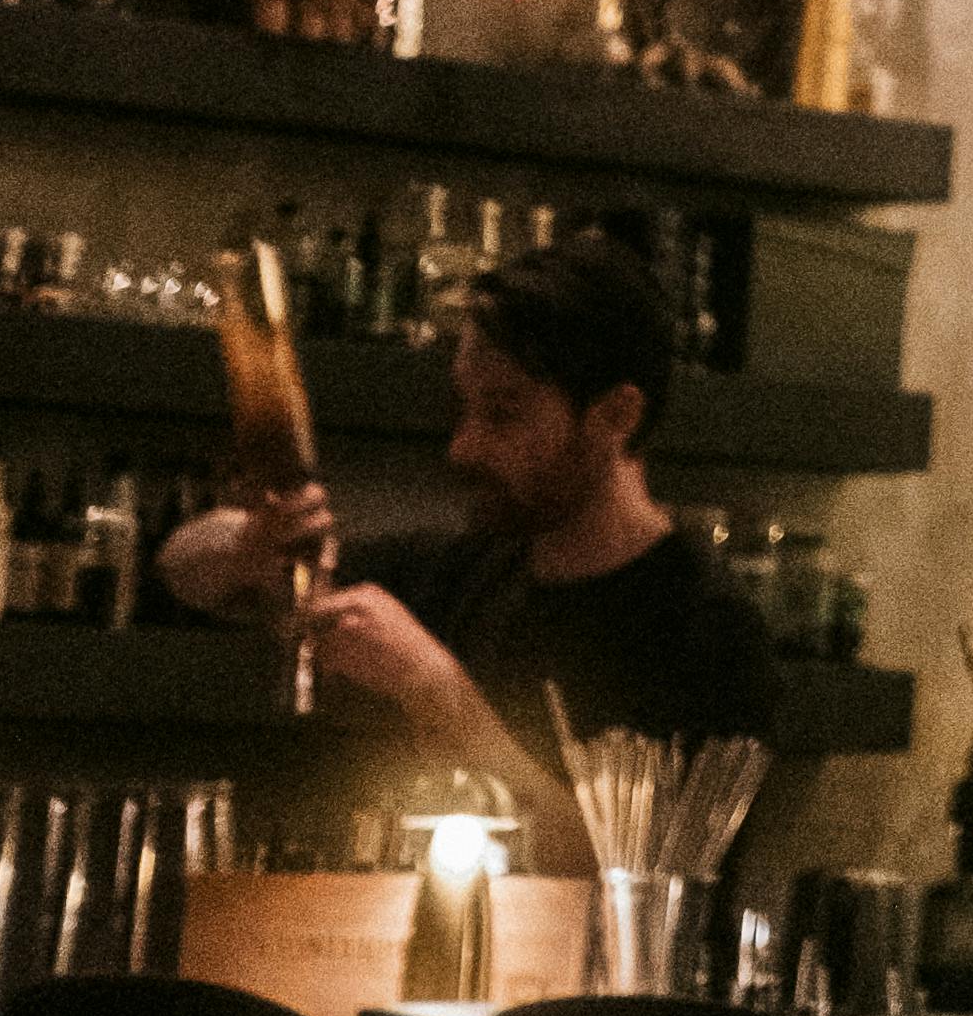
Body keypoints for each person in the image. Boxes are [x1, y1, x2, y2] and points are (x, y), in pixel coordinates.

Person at [162, 233, 777, 839]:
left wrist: (436, 690)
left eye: (503, 414)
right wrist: (251, 546)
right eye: (466, 410)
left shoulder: (710, 632)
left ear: (617, 415)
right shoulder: (463, 569)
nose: (465, 445)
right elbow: (183, 567)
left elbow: (644, 884)